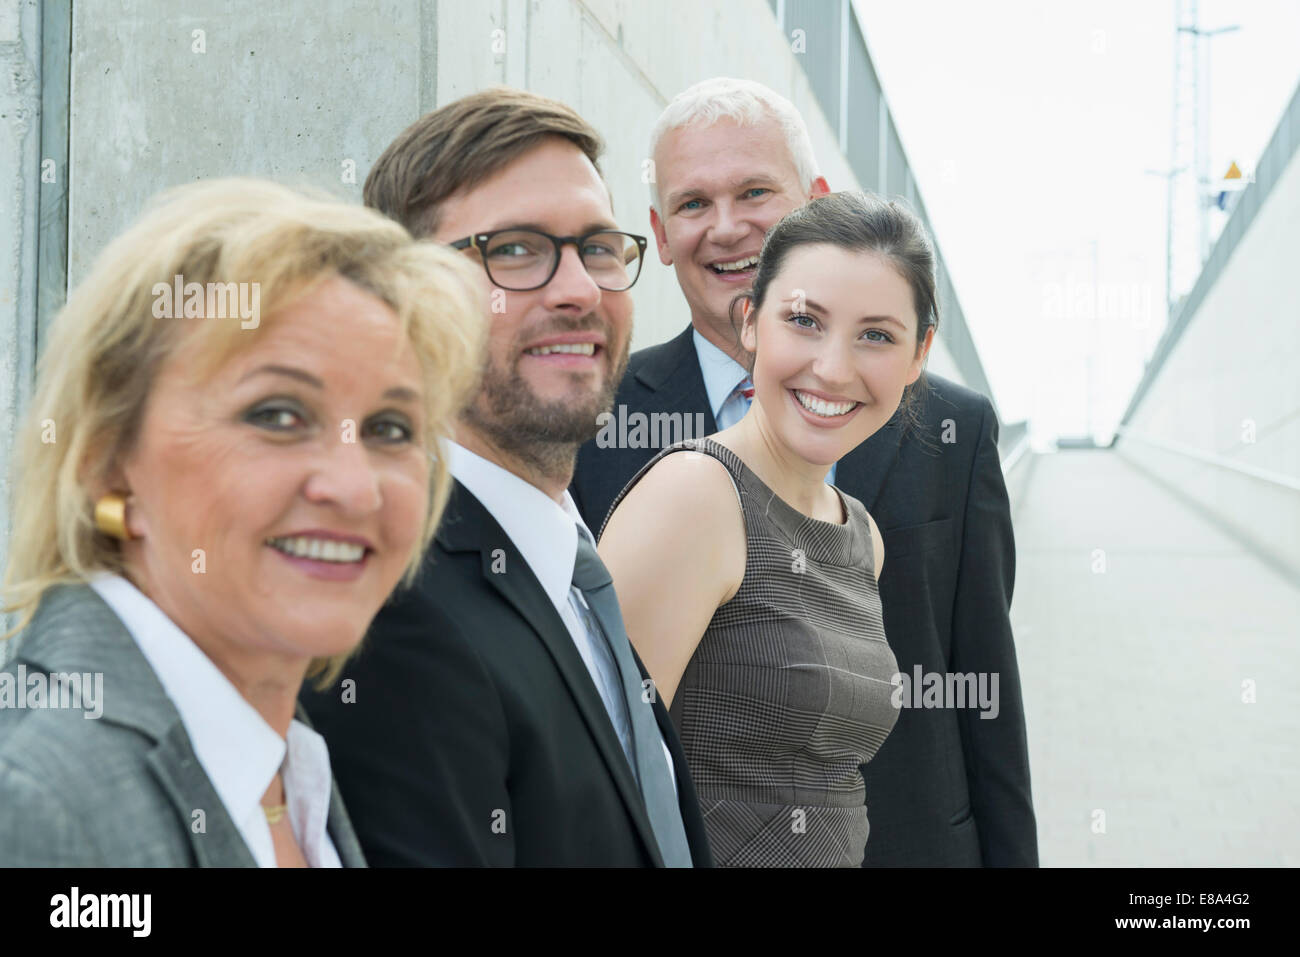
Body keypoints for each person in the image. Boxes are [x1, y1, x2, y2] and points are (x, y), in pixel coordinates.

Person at [571, 77, 1038, 867]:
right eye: (693, 203)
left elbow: (987, 690)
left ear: (813, 200)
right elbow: (598, 760)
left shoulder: (947, 440)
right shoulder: (593, 418)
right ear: (660, 231)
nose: (726, 227)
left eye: (755, 192)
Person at [0, 178, 485, 867]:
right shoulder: (36, 802)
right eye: (277, 415)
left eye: (389, 427)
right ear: (107, 462)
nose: (354, 489)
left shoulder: (285, 760)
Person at [301, 87, 713, 867]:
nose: (579, 289)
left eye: (598, 248)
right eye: (515, 250)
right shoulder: (392, 608)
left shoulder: (576, 576)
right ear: (400, 299)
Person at [598, 191, 928, 866]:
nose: (832, 368)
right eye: (804, 321)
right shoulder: (696, 496)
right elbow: (596, 780)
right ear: (750, 322)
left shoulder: (861, 535)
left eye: (876, 335)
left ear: (918, 355)